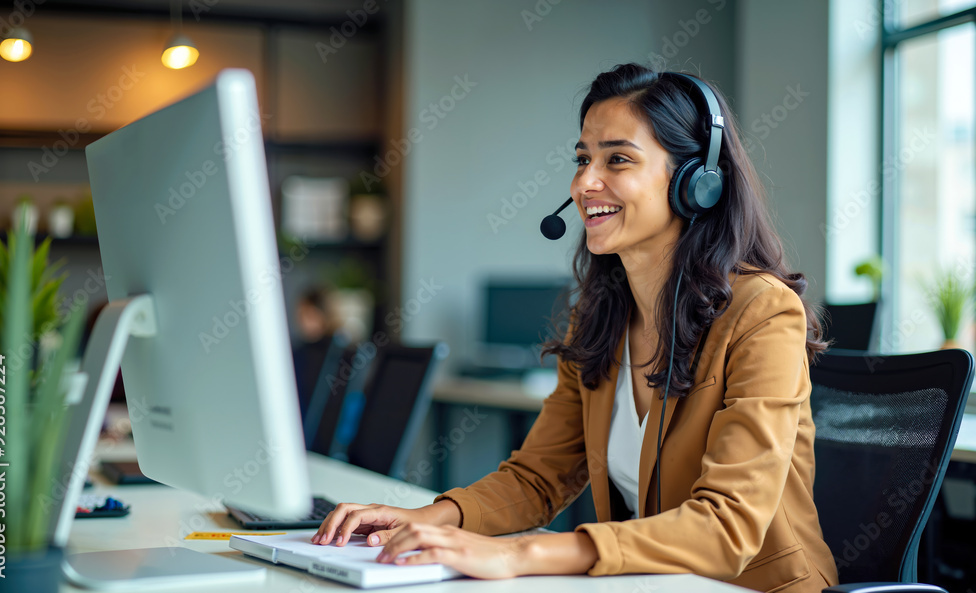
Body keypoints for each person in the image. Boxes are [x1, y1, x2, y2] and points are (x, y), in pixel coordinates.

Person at [311, 63, 840, 592]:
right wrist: (427, 519)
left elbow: (727, 527)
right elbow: (538, 478)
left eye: (618, 159)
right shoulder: (600, 315)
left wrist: (521, 553)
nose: (585, 182)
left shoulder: (763, 313)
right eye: (583, 158)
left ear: (696, 183)